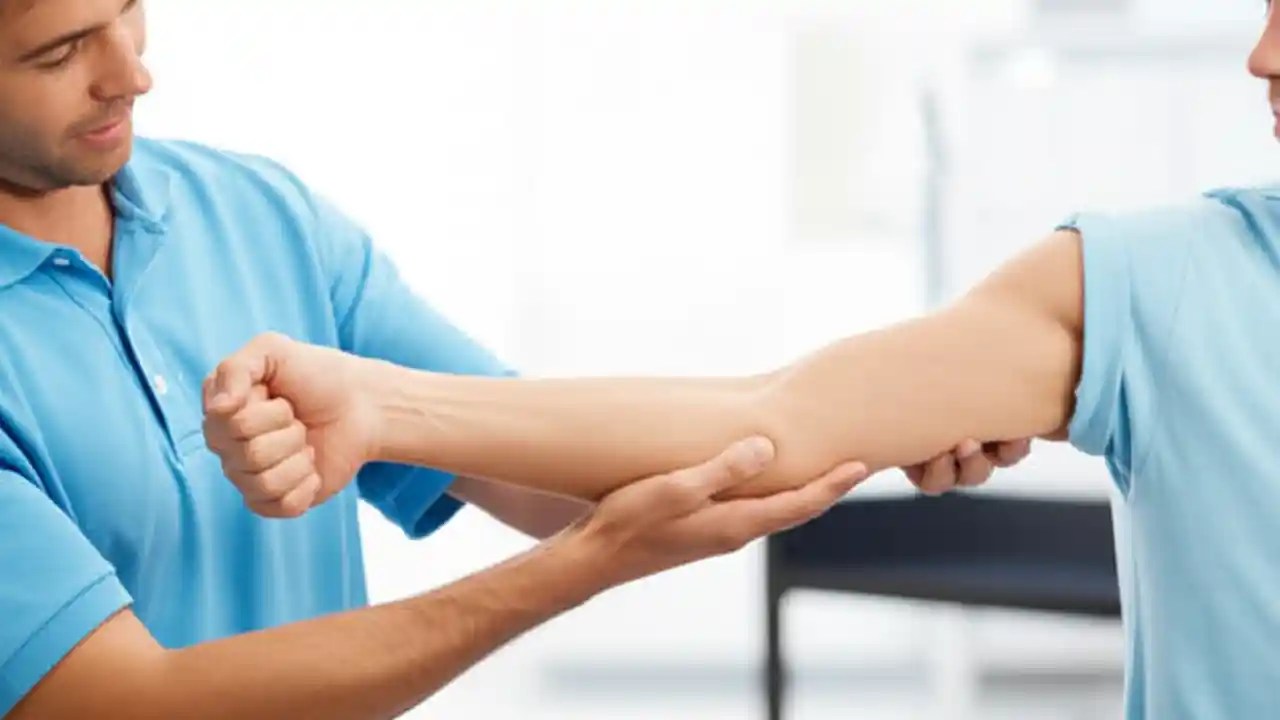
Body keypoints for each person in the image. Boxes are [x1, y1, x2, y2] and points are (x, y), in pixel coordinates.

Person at [200, 5, 1280, 720]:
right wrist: (385, 408)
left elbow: (772, 422)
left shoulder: (1167, 281)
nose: (1259, 55)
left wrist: (383, 410)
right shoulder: (1160, 282)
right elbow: (777, 422)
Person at [0, 1, 1022, 717]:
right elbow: (125, 706)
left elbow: (546, 463)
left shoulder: (256, 217)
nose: (132, 70)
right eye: (59, 52)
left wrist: (894, 417)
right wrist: (570, 573)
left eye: (130, 6)